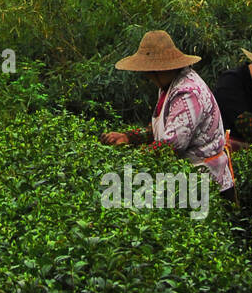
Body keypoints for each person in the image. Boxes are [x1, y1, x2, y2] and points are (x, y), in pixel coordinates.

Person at [100, 31, 235, 195]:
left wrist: (130, 160)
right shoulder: (169, 86)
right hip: (188, 182)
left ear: (161, 69)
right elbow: (163, 129)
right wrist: (128, 137)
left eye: (150, 72)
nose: (148, 76)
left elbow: (170, 145)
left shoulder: (188, 93)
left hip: (209, 186)